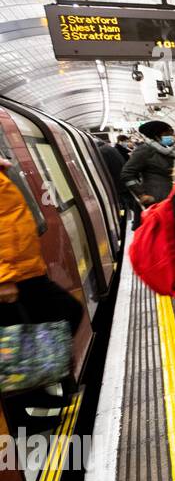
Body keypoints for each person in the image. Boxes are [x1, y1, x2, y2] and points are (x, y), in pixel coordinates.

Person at [0, 156, 83, 428]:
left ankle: (38, 391)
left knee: (49, 322)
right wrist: (4, 279)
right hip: (11, 276)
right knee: (11, 345)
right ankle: (21, 413)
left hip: (24, 271)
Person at [121, 120, 175, 209]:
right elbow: (127, 173)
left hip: (170, 195)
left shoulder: (166, 150)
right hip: (155, 199)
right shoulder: (145, 150)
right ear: (157, 135)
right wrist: (141, 195)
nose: (171, 137)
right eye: (167, 134)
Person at [93, 133, 127, 231]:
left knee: (122, 207)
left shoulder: (102, 152)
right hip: (121, 183)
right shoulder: (109, 149)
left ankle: (123, 222)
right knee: (125, 205)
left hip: (117, 186)